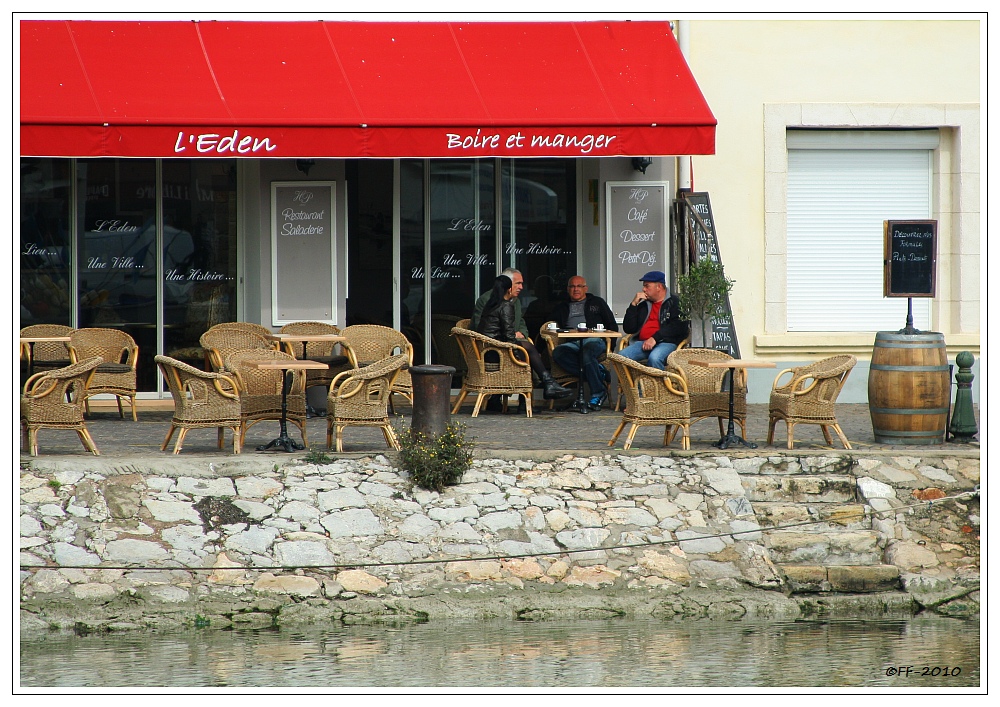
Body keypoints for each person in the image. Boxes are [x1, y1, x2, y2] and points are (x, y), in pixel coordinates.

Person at [475, 274, 572, 400]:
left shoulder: (491, 304)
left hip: (486, 351)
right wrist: (515, 356)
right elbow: (509, 335)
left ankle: (547, 384)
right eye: (517, 284)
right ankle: (547, 384)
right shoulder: (506, 305)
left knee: (528, 351)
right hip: (496, 353)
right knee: (529, 351)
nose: (520, 287)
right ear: (509, 289)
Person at [549, 275, 619, 410]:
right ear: (567, 289)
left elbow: (611, 324)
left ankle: (598, 392)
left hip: (594, 340)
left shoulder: (597, 302)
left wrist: (610, 348)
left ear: (585, 288)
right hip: (572, 341)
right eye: (572, 286)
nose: (576, 289)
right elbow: (549, 323)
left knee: (586, 352)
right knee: (558, 353)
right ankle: (599, 372)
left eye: (579, 286)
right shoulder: (562, 306)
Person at [620, 270, 689, 370]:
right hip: (642, 343)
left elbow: (678, 326)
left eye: (647, 286)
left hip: (666, 343)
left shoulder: (674, 302)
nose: (643, 289)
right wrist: (633, 305)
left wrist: (655, 338)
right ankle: (632, 385)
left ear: (659, 287)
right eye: (643, 286)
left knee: (655, 358)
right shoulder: (644, 305)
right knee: (621, 357)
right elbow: (629, 328)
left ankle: (657, 386)